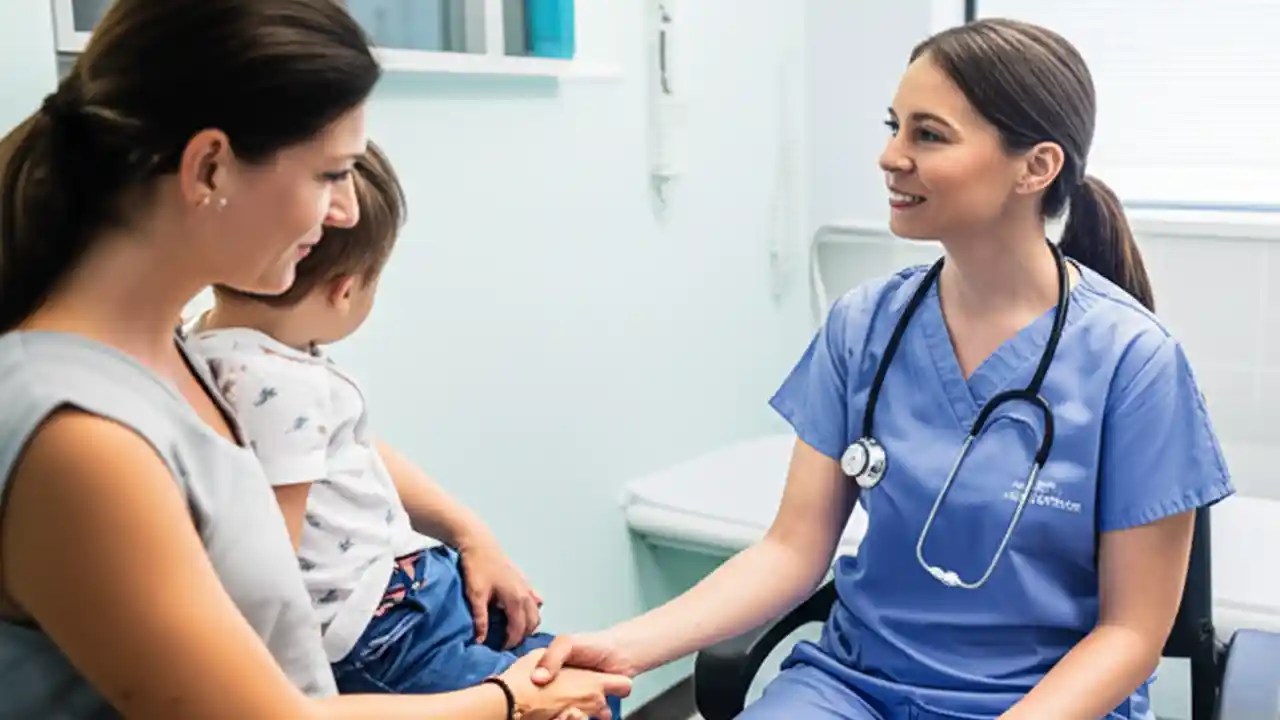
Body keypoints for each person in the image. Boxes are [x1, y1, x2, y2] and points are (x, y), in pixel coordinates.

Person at [530, 18, 1233, 720]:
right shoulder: (865, 324)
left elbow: (1132, 633)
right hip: (854, 688)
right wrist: (621, 647)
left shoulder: (1134, 362)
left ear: (1036, 167)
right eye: (895, 127)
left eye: (928, 135)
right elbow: (791, 550)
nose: (890, 156)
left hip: (1037, 702)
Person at [0, 1, 629, 718]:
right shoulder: (78, 437)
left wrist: (467, 535)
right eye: (331, 175)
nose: (346, 214)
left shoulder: (176, 356)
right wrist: (509, 699)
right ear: (210, 168)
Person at [183, 141, 622, 719]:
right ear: (345, 289)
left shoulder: (205, 341)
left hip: (398, 601)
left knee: (568, 670)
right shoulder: (285, 385)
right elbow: (269, 571)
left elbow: (348, 455)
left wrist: (472, 537)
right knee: (589, 699)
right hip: (384, 630)